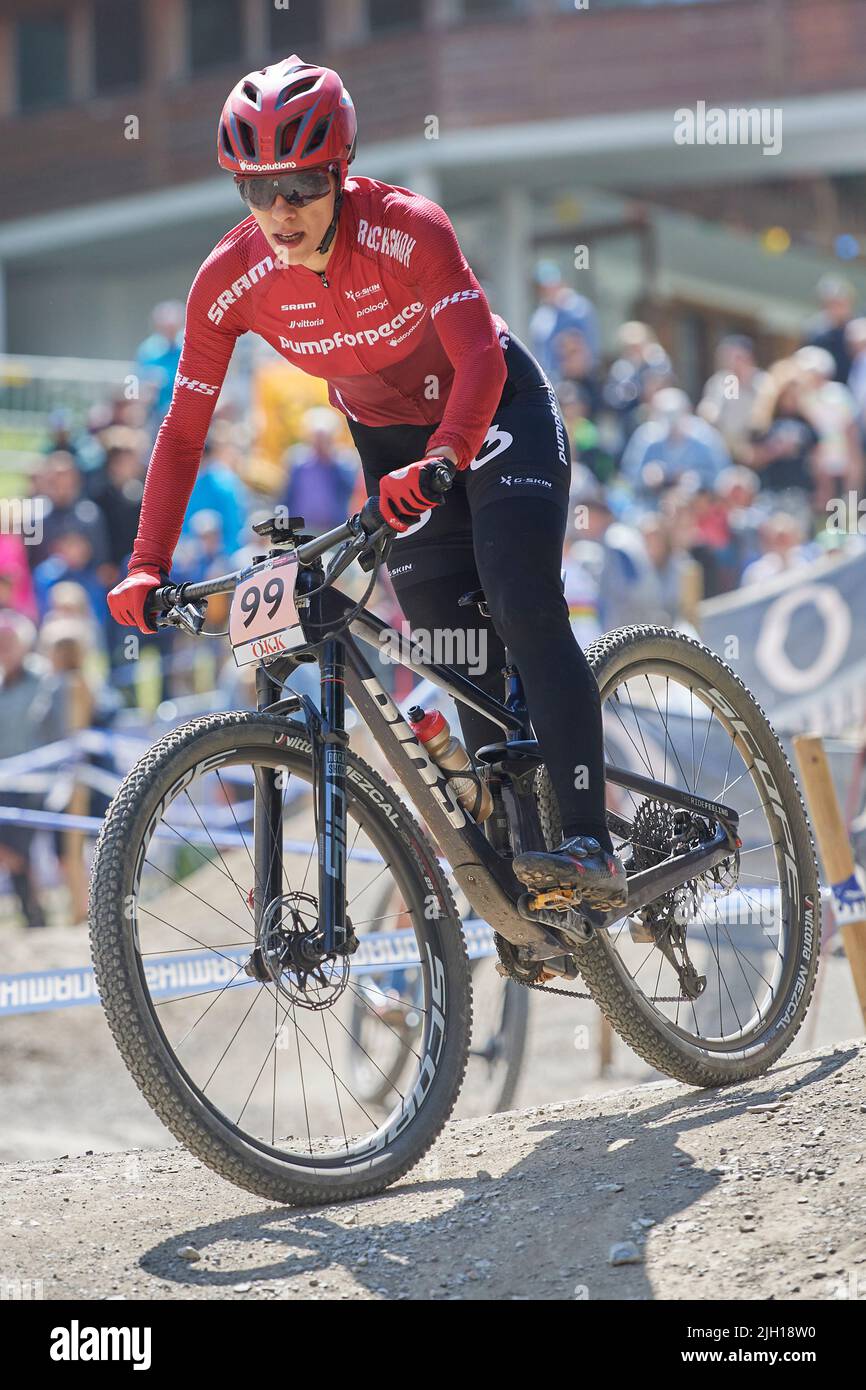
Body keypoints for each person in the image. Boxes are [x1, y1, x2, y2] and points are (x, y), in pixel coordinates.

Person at [108, 53, 627, 909]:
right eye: (257, 188)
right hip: (390, 444)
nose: (281, 210)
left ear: (340, 174)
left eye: (303, 183)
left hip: (493, 416)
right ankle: (528, 883)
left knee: (518, 596)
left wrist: (448, 455)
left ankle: (587, 841)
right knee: (453, 654)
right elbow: (182, 431)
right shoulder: (226, 282)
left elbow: (474, 359)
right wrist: (145, 562)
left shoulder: (409, 227)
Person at [279, 406, 358, 533]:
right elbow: (286, 496)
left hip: (334, 529)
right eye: (316, 438)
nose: (319, 443)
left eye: (324, 439)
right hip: (302, 528)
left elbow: (351, 491)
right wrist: (282, 525)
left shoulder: (344, 463)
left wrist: (331, 462)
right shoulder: (298, 463)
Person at [697, 335, 769, 464]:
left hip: (760, 447)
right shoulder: (723, 382)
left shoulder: (763, 382)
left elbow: (763, 418)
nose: (731, 362)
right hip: (728, 451)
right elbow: (712, 412)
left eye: (736, 357)